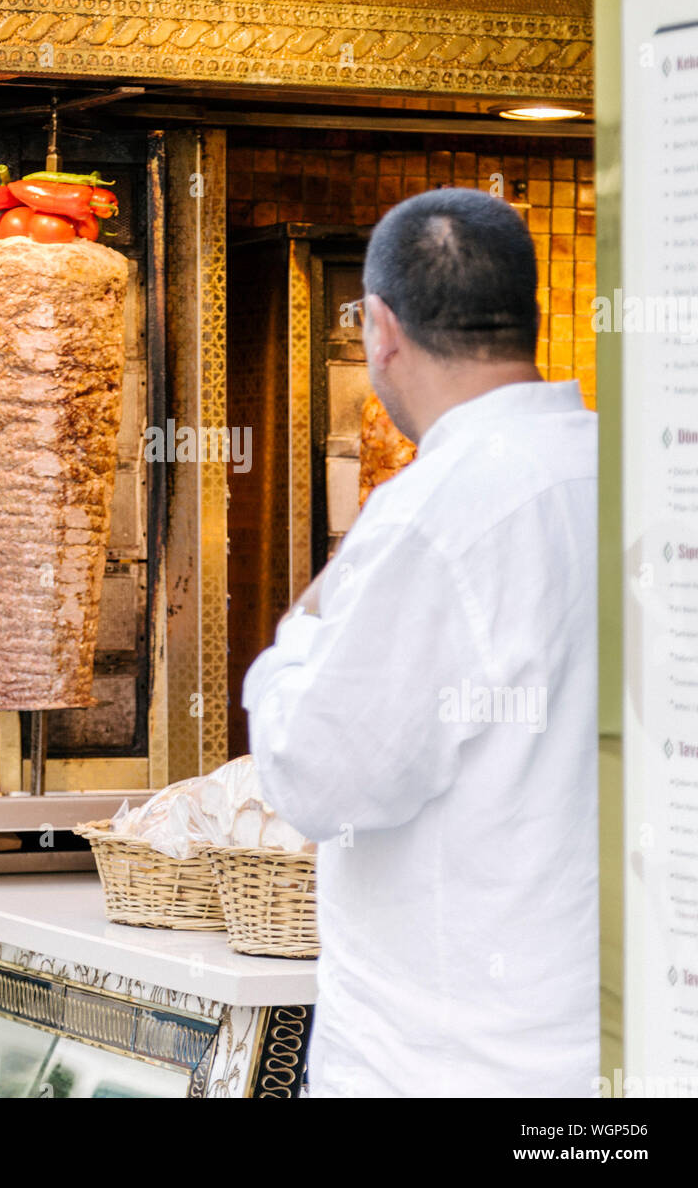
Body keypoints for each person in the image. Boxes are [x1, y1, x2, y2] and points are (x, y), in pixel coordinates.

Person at [243, 187, 599, 1098]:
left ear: (384, 332)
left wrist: (299, 635)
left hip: (451, 1069)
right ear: (527, 318)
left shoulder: (433, 516)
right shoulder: (629, 470)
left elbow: (321, 779)